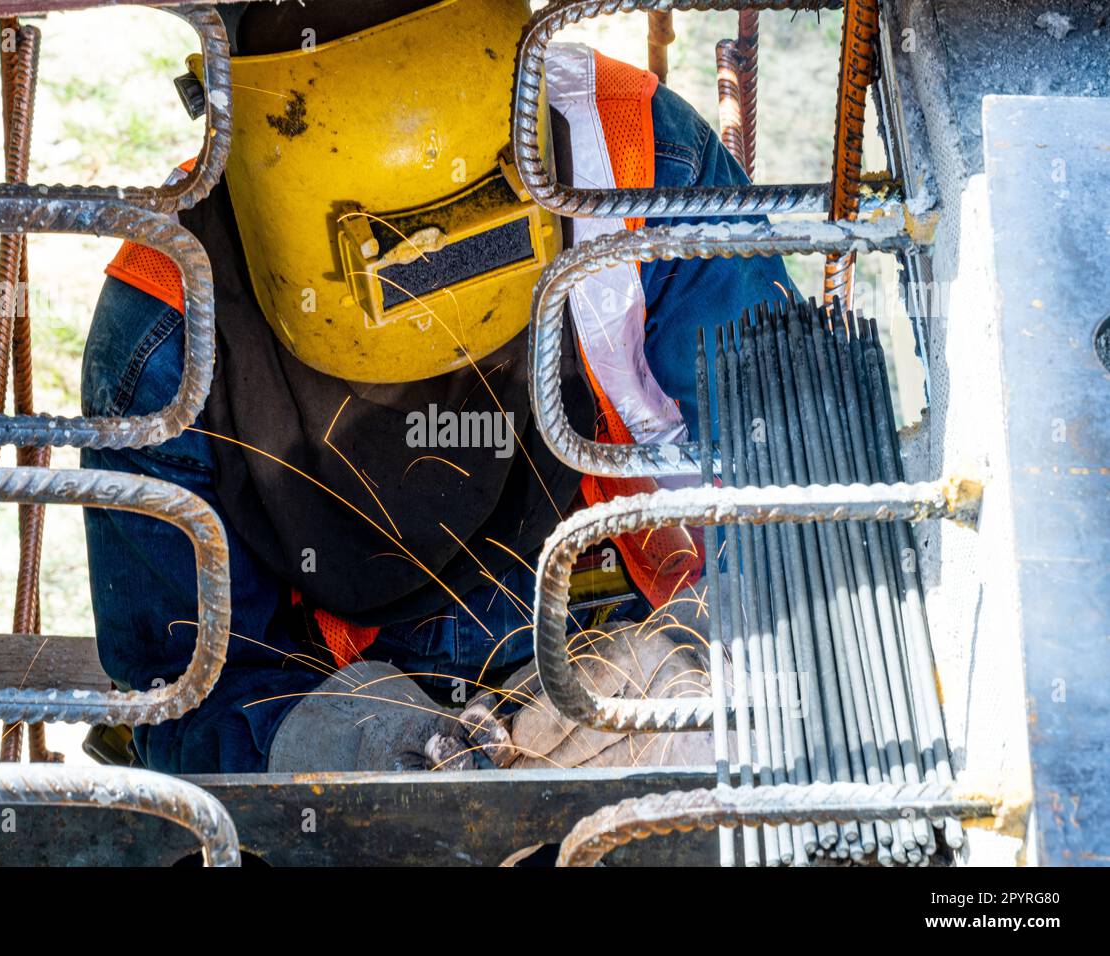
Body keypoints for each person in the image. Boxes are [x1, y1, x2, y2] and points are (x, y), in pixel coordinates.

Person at [81, 0, 793, 773]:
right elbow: (181, 692)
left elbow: (798, 491)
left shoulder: (637, 161)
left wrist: (689, 647)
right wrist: (332, 745)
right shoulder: (165, 331)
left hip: (613, 615)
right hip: (346, 674)